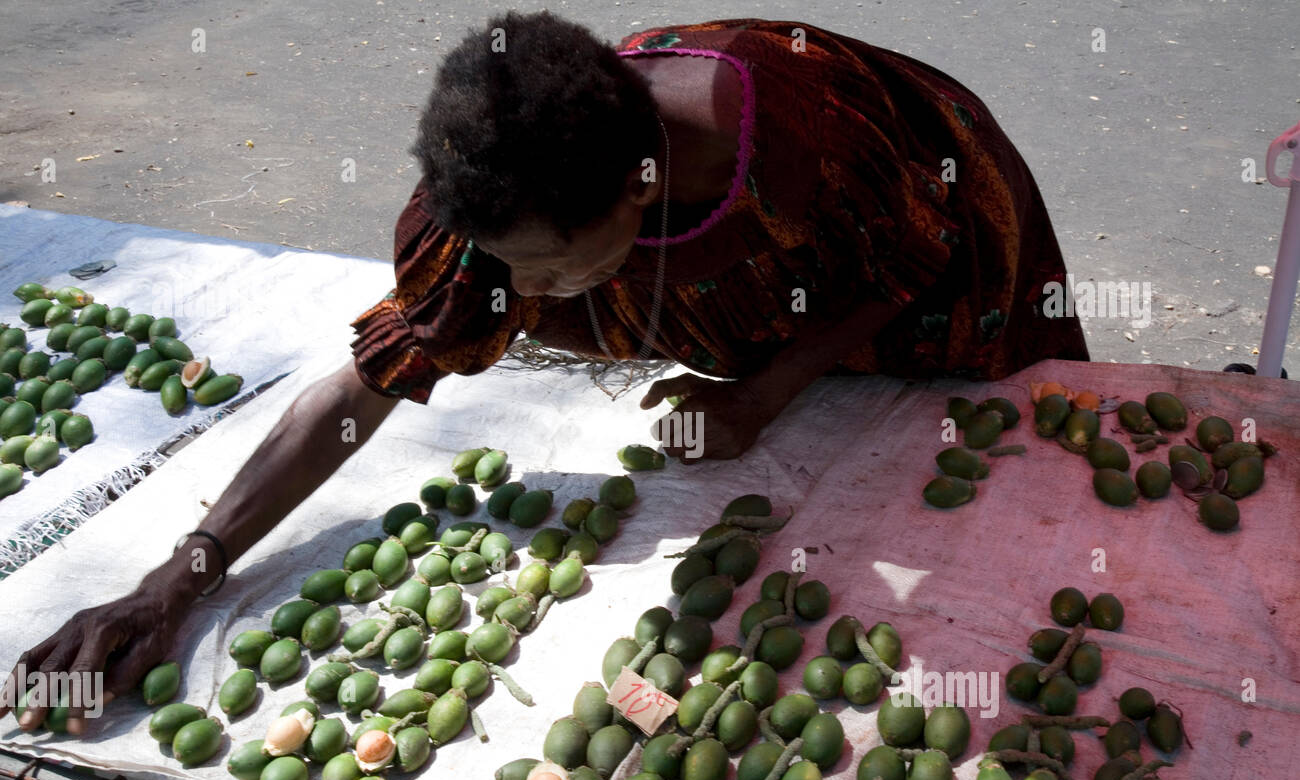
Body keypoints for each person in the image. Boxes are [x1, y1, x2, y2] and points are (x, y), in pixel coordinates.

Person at [2, 12, 1087, 733]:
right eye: (514, 271)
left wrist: (762, 393)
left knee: (981, 408)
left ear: (640, 189)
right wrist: (181, 573)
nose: (538, 298)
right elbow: (361, 388)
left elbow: (912, 251)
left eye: (555, 266)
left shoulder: (792, 150)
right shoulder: (499, 198)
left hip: (921, 205)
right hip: (724, 241)